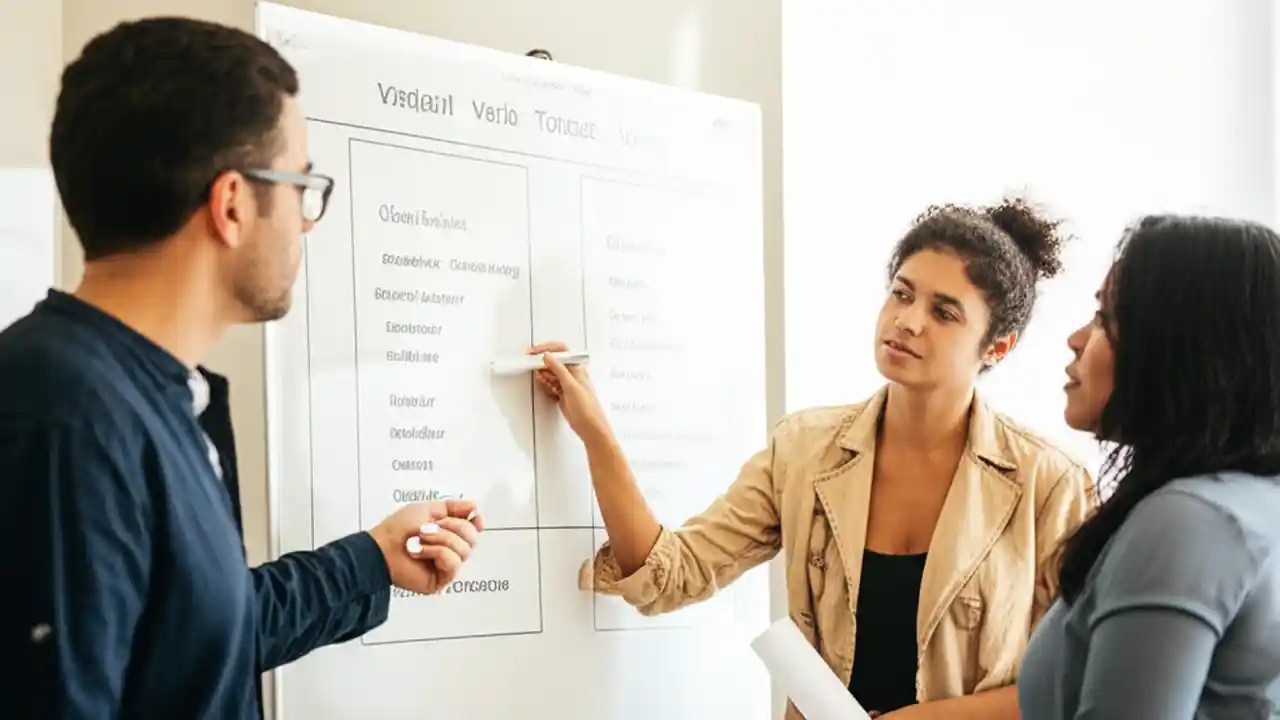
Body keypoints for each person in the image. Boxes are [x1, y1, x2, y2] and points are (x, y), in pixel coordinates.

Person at [0, 17, 483, 718]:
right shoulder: (66, 418)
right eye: (301, 185)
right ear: (231, 204)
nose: (307, 221)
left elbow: (195, 641)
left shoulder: (142, 398)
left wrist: (372, 561)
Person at [531, 197, 1094, 718]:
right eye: (902, 293)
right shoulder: (804, 449)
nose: (908, 320)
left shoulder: (1050, 484)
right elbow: (670, 575)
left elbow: (1074, 680)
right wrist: (596, 434)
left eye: (944, 312)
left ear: (998, 346)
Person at [1018, 215, 1280, 718]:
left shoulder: (1190, 520)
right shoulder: (1248, 502)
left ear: (1182, 346)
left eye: (1104, 318)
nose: (1076, 338)